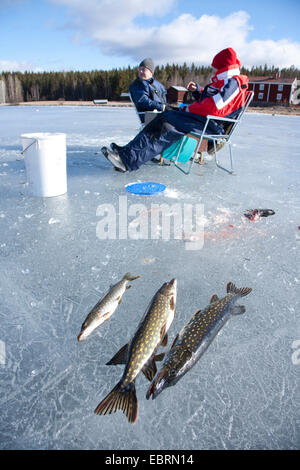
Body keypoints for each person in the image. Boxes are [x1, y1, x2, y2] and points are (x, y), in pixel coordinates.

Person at [101, 47, 248, 173]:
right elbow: (210, 100)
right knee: (163, 119)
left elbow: (216, 106)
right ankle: (126, 153)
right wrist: (198, 91)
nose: (213, 70)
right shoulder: (224, 82)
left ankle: (128, 161)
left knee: (166, 125)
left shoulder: (234, 82)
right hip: (203, 120)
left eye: (215, 67)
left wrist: (189, 109)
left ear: (223, 67)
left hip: (211, 125)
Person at [129, 58, 167, 123]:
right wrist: (161, 107)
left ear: (151, 72)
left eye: (143, 69)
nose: (140, 71)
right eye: (140, 69)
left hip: (161, 115)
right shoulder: (138, 84)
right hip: (149, 118)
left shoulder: (158, 85)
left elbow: (165, 99)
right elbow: (142, 101)